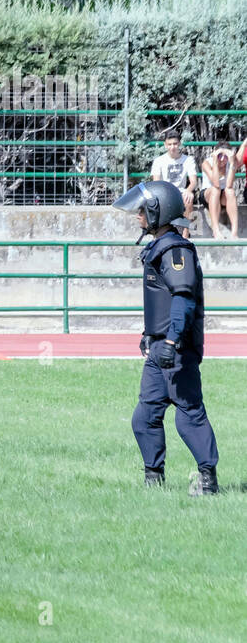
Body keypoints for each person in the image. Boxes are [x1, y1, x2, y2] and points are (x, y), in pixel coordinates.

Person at [112, 180, 219, 496]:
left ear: (160, 211)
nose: (138, 216)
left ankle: (208, 481)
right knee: (144, 417)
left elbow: (183, 298)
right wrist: (152, 335)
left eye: (143, 210)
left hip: (176, 348)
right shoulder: (160, 246)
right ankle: (153, 480)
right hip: (159, 348)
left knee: (189, 415)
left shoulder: (175, 249)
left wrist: (172, 340)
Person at [149, 129, 197, 239]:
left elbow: (193, 181)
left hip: (180, 192)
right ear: (165, 145)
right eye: (169, 144)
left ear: (179, 143)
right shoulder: (159, 161)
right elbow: (156, 182)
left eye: (175, 144)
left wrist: (189, 190)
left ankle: (185, 234)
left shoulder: (188, 160)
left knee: (189, 197)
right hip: (165, 192)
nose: (172, 147)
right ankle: (159, 234)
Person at [200, 141, 238, 239]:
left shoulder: (231, 163)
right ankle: (216, 231)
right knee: (215, 189)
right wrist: (215, 162)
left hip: (224, 194)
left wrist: (232, 162)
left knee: (230, 191)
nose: (222, 159)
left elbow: (229, 184)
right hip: (208, 194)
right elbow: (216, 182)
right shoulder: (207, 163)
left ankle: (234, 232)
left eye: (225, 156)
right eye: (219, 155)